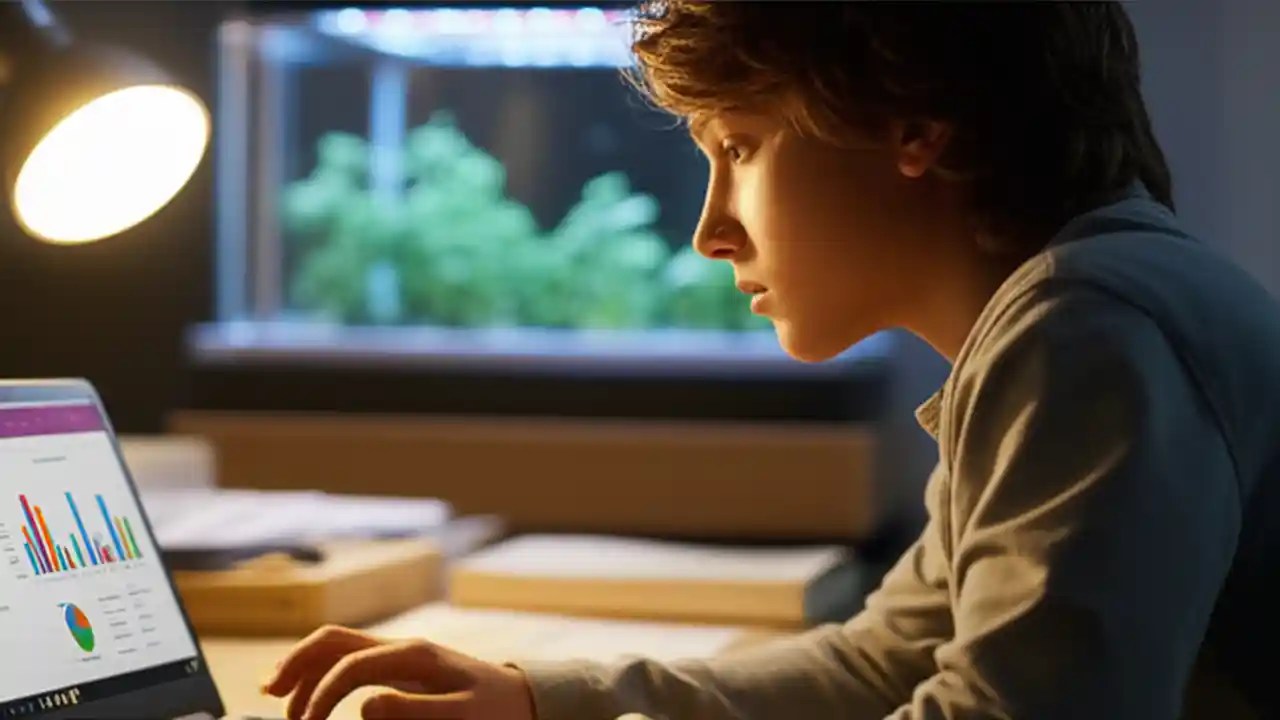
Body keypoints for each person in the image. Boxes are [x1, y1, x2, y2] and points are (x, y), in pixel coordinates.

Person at [261, 2, 1280, 719]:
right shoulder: (1066, 316)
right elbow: (884, 664)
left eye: (737, 148)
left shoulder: (1082, 326)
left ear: (909, 123)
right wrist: (541, 700)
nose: (709, 230)